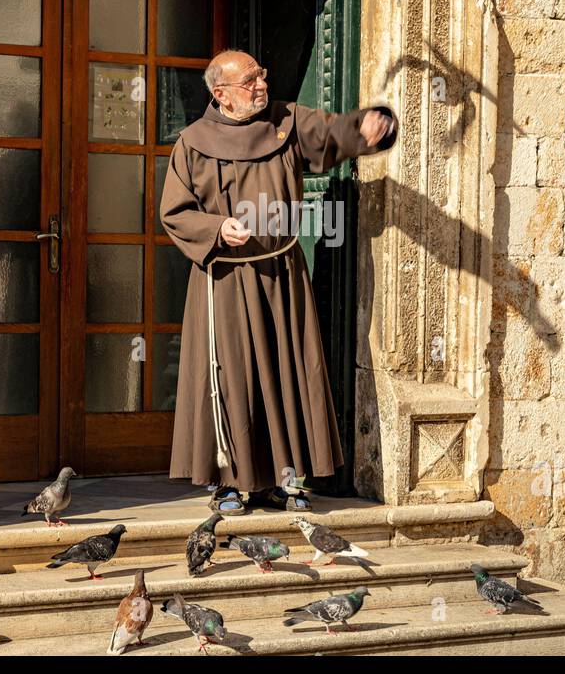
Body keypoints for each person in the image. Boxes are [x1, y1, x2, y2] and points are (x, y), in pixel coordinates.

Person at [159, 50, 397, 513]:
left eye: (262, 74)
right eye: (250, 81)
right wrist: (216, 229)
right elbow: (175, 212)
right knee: (230, 378)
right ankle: (229, 484)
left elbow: (331, 133)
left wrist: (364, 128)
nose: (262, 84)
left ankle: (282, 479)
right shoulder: (192, 143)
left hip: (280, 275)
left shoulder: (287, 122)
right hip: (224, 280)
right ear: (221, 94)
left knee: (284, 374)